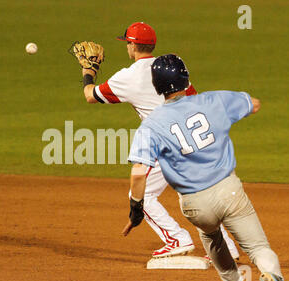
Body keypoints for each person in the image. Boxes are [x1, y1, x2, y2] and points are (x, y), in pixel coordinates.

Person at [124, 53, 289, 281]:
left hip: (195, 204)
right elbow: (253, 104)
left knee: (212, 237)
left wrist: (136, 208)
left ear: (157, 86)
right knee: (257, 248)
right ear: (185, 78)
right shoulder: (212, 101)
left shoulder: (151, 125)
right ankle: (271, 276)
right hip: (229, 190)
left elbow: (139, 171)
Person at [77, 22, 239, 259]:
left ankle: (176, 239)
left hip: (163, 142)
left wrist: (88, 71)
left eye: (127, 43)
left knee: (142, 195)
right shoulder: (171, 67)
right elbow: (193, 99)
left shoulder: (128, 77)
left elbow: (91, 95)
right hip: (191, 138)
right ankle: (226, 248)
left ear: (132, 46)